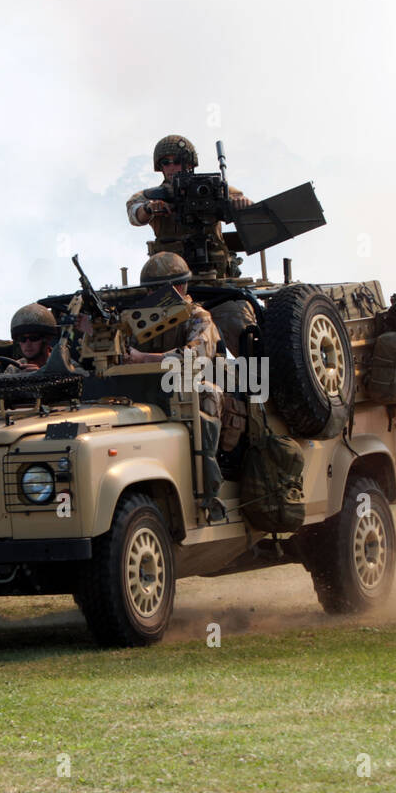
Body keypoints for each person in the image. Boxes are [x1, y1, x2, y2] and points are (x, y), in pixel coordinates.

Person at [125, 251, 226, 519]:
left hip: (188, 391)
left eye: (159, 290)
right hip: (147, 393)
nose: (153, 296)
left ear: (180, 287)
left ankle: (207, 492)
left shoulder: (197, 316)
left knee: (206, 396)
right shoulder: (141, 320)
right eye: (150, 290)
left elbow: (195, 356)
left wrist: (144, 358)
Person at [126, 134, 252, 278]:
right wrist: (149, 208)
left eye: (178, 161)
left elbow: (243, 204)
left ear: (190, 163)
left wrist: (241, 204)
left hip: (216, 276)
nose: (172, 167)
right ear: (160, 167)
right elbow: (134, 213)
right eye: (166, 162)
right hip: (171, 280)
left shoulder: (214, 189)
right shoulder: (153, 195)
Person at [3, 303, 59, 373]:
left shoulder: (64, 366)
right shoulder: (14, 369)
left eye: (34, 338)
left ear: (47, 338)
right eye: (22, 339)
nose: (27, 344)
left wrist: (42, 377)